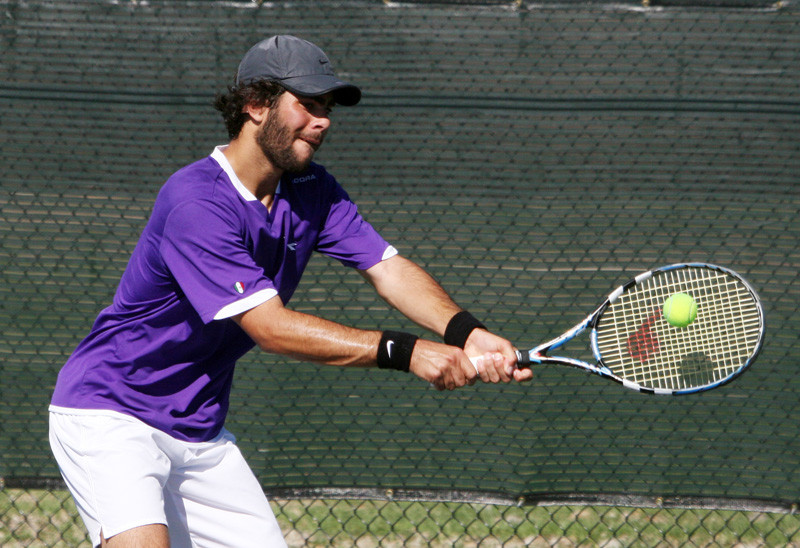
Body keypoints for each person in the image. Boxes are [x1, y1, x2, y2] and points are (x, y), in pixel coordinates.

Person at [48, 35, 533, 548]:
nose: (323, 121)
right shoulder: (196, 201)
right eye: (308, 104)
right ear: (256, 105)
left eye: (327, 108)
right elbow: (270, 327)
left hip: (198, 431)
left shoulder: (311, 190)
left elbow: (386, 269)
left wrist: (467, 332)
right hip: (111, 413)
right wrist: (407, 351)